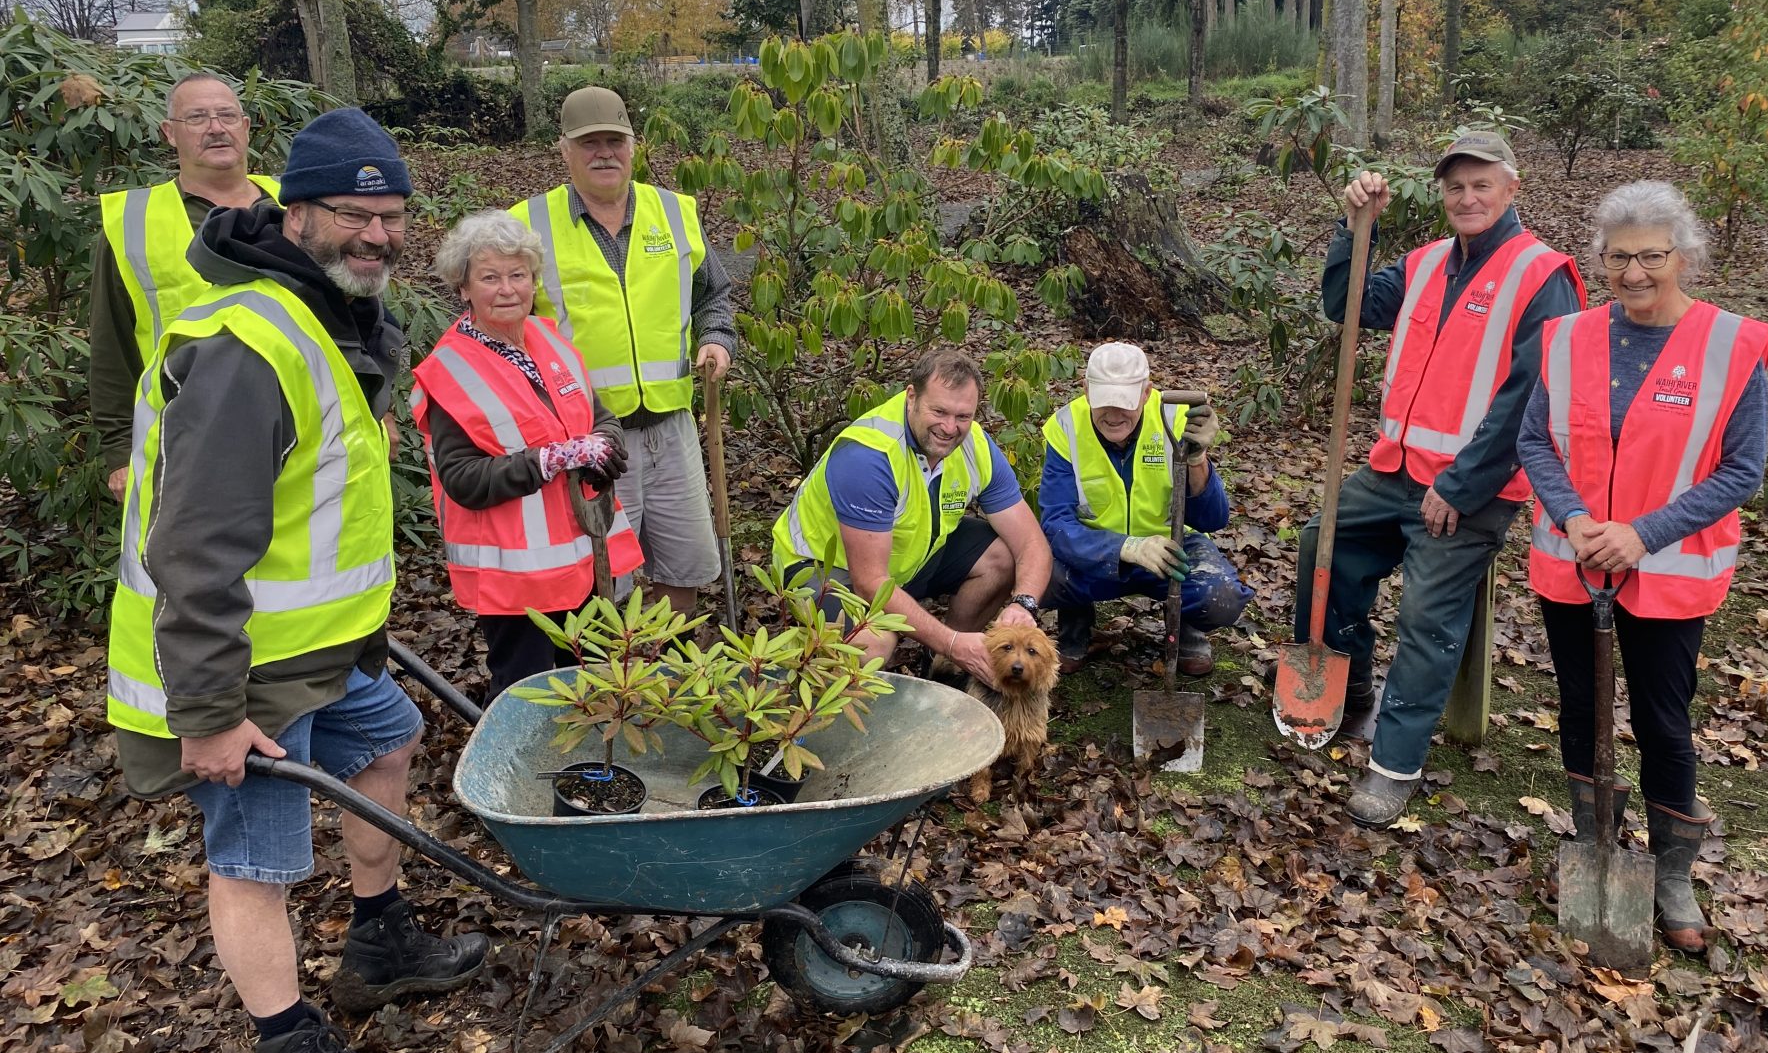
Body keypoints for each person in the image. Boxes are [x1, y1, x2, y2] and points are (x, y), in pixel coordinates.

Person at [106, 108, 486, 1053]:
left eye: (394, 217)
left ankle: (380, 938)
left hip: (325, 648)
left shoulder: (327, 316)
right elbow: (194, 547)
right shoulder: (247, 348)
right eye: (356, 215)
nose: (378, 235)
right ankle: (287, 1047)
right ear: (299, 212)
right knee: (256, 857)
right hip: (245, 672)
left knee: (392, 741)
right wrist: (208, 712)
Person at [1298, 131, 1586, 826]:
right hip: (1392, 470)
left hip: (1470, 491)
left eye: (1481, 184)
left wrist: (1462, 486)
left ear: (1511, 189)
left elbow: (1530, 395)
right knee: (1321, 551)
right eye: (1455, 186)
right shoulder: (1426, 263)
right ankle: (1352, 693)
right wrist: (1351, 226)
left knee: (1427, 618)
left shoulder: (1541, 275)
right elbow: (1349, 305)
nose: (1467, 197)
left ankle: (1393, 765)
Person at [1518, 180, 1768, 953]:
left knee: (1664, 719)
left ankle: (1670, 873)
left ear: (1684, 257)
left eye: (1651, 256)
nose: (1633, 272)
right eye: (1619, 256)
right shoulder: (1566, 339)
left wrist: (1641, 533)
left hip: (1670, 570)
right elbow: (1536, 443)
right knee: (1580, 705)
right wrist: (1577, 518)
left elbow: (1741, 470)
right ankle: (1595, 845)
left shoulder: (1730, 346)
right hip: (1574, 559)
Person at [509, 86, 736, 616]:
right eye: (589, 143)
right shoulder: (527, 225)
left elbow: (713, 295)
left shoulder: (675, 213)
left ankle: (675, 678)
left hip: (672, 428)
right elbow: (502, 325)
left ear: (634, 146)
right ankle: (625, 685)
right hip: (588, 438)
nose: (603, 153)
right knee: (608, 575)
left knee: (685, 565)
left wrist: (715, 340)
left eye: (614, 140)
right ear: (564, 151)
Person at [411, 211, 643, 701]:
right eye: (489, 277)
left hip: (581, 556)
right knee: (526, 695)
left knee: (588, 686)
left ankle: (582, 773)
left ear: (534, 280)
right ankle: (522, 777)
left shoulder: (548, 338)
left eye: (518, 275)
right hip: (514, 576)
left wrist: (605, 446)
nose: (507, 289)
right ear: (463, 288)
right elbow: (464, 481)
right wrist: (548, 460)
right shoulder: (450, 369)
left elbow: (596, 413)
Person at [770, 347, 1054, 687]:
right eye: (939, 411)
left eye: (964, 416)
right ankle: (828, 703)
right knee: (873, 642)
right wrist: (948, 639)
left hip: (908, 557)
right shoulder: (869, 455)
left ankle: (946, 669)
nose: (950, 428)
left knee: (1002, 558)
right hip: (822, 567)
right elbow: (870, 582)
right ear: (911, 398)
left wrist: (1024, 604)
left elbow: (1031, 543)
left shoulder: (975, 444)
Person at [91, 72, 280, 502]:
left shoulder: (296, 205)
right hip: (186, 438)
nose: (216, 127)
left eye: (226, 115)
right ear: (169, 134)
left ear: (245, 128)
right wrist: (120, 451)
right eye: (196, 117)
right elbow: (111, 341)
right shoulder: (132, 224)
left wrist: (371, 403)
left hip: (303, 422)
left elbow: (345, 312)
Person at [1037, 342, 1252, 676]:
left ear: (1147, 392)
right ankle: (1075, 624)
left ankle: (1185, 625)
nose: (1114, 415)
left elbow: (1213, 519)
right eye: (1104, 402)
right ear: (1087, 390)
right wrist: (1128, 547)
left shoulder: (1176, 418)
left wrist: (1197, 460)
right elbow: (1057, 522)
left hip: (1171, 549)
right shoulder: (1066, 427)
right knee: (1040, 575)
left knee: (1219, 596)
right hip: (1095, 555)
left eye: (1124, 403)